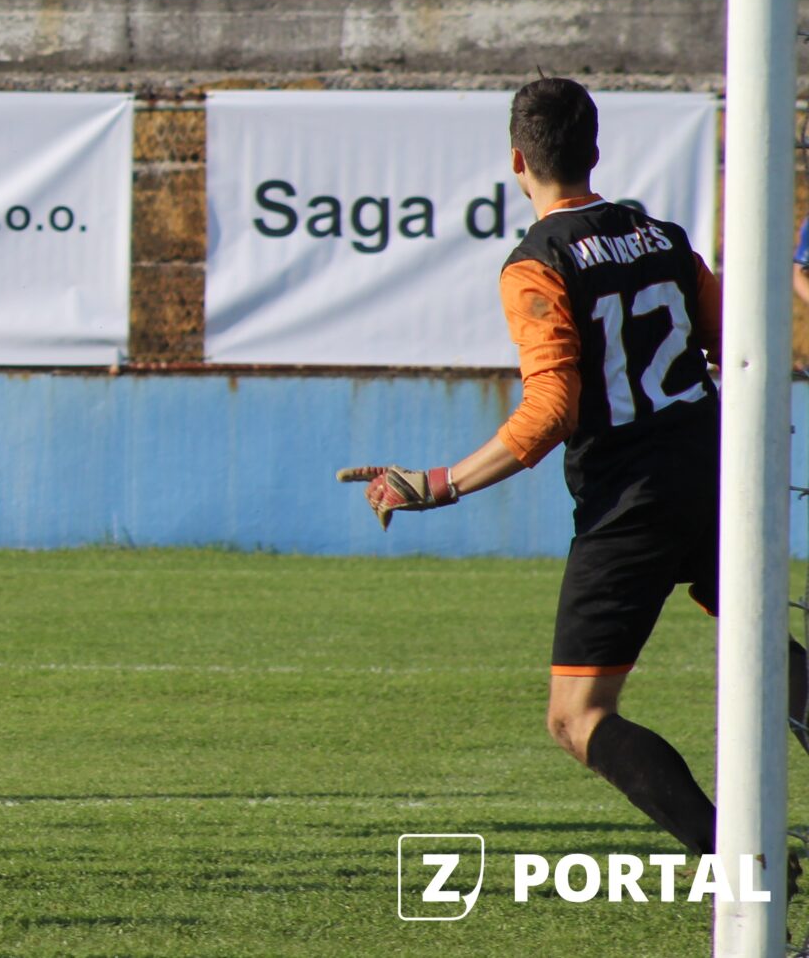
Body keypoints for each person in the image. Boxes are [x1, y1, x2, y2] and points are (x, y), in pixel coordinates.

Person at [339, 78, 809, 864]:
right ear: (595, 152)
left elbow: (552, 408)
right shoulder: (660, 235)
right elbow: (736, 338)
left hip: (632, 497)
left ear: (516, 161)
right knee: (759, 637)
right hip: (712, 467)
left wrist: (438, 483)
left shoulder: (537, 263)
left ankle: (740, 861)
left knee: (577, 715)